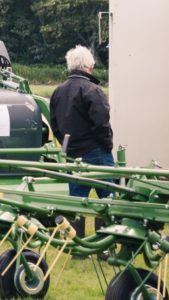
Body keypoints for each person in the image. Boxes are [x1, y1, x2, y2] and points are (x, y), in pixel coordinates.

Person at [50, 46, 114, 246]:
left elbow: (55, 124)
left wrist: (66, 145)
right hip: (96, 151)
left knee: (76, 201)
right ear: (89, 66)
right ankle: (105, 245)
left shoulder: (58, 92)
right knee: (108, 200)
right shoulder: (93, 90)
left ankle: (75, 245)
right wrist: (107, 145)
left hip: (72, 153)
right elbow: (102, 123)